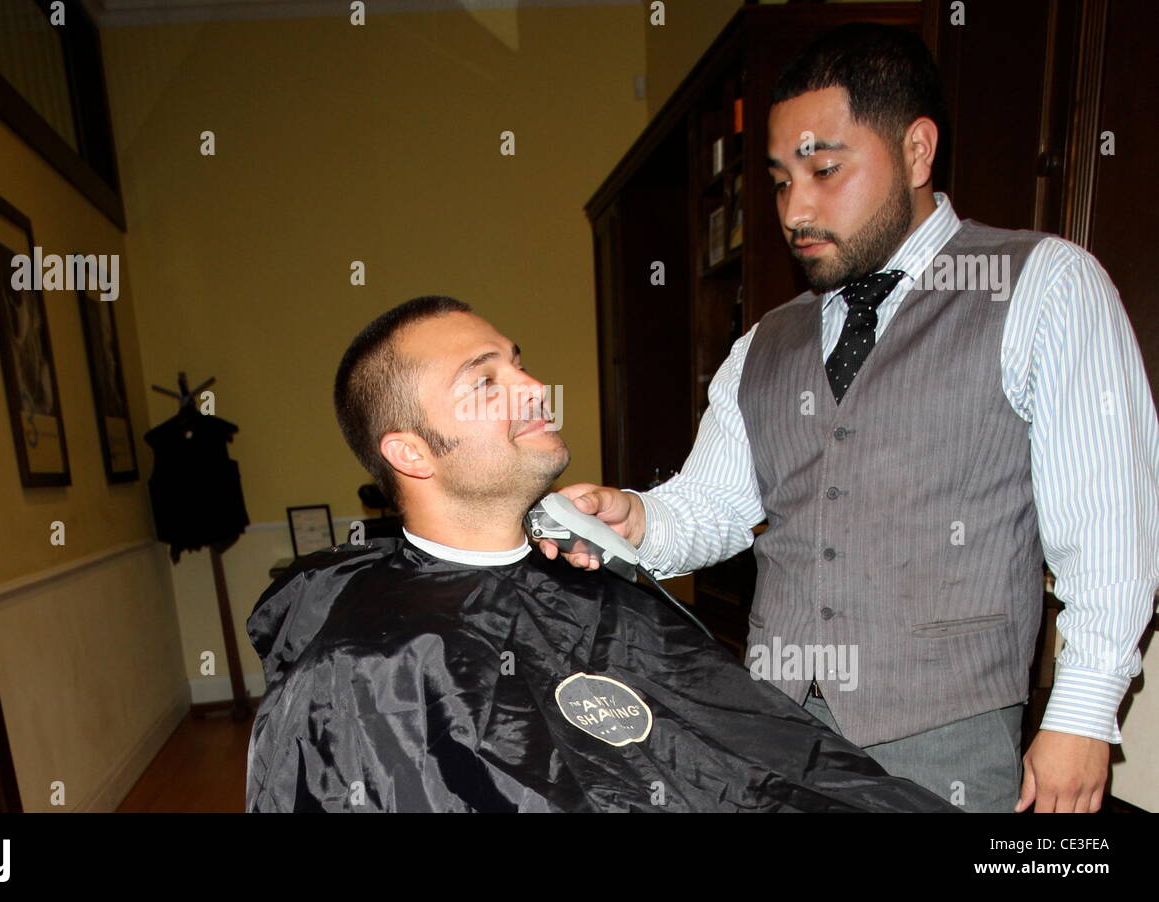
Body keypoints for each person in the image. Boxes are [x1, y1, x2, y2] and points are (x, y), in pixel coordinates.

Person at [540, 23, 1159, 814]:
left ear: (917, 151)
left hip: (945, 738)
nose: (796, 209)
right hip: (772, 725)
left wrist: (1082, 712)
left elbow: (1113, 522)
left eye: (825, 169)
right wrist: (635, 517)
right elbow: (715, 506)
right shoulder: (764, 341)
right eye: (778, 181)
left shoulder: (1045, 286)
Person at [244, 295, 954, 812]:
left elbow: (751, 761)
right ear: (410, 452)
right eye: (485, 382)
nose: (534, 389)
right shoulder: (361, 671)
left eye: (519, 365)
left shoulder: (586, 568)